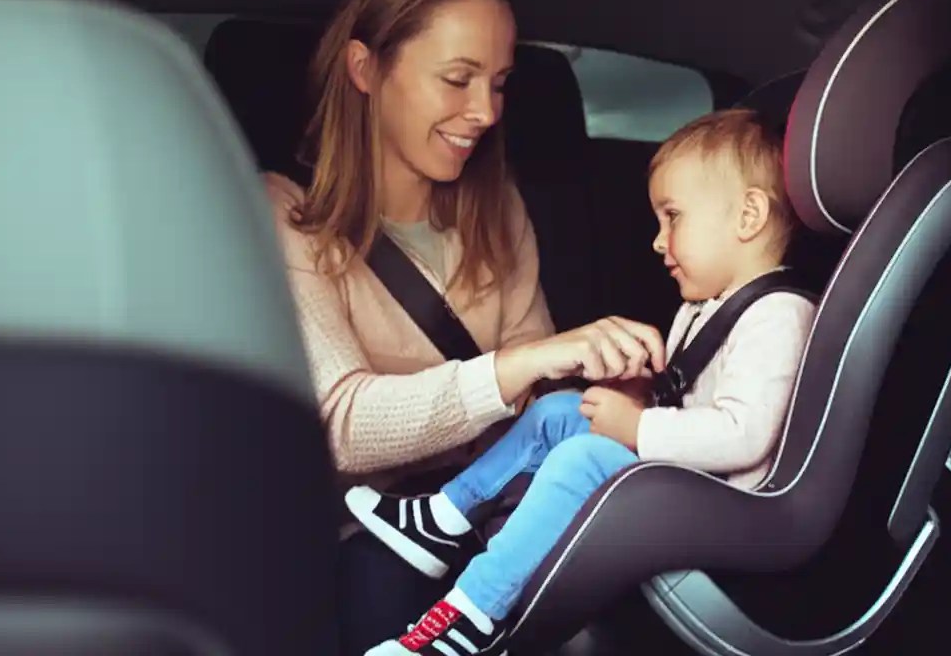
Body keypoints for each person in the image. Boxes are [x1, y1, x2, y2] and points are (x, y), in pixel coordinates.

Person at [261, 0, 666, 653]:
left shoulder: (497, 210)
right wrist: (522, 363)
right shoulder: (287, 216)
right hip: (370, 539)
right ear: (367, 69)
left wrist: (603, 395)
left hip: (502, 520)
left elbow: (535, 406)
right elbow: (345, 427)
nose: (483, 111)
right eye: (458, 79)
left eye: (501, 83)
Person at [347, 109, 820, 656]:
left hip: (721, 506)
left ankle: (469, 620)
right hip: (685, 477)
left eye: (673, 217)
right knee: (559, 413)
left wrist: (640, 428)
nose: (658, 242)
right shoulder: (707, 306)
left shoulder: (779, 314)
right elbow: (693, 402)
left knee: (580, 461)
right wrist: (642, 396)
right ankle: (444, 517)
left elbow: (743, 435)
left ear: (748, 216)